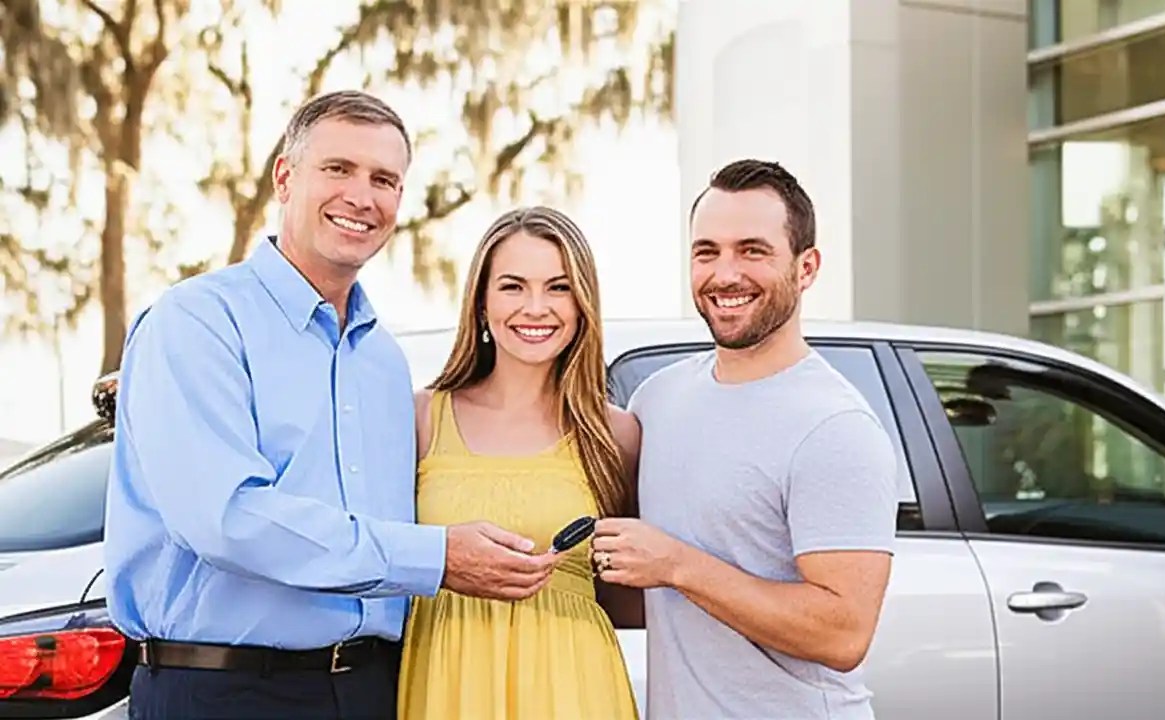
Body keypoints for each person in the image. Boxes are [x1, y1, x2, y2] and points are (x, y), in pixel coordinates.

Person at [104, 90, 560, 720]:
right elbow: (226, 518)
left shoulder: (384, 363)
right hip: (224, 692)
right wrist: (438, 556)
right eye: (338, 169)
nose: (361, 196)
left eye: (384, 180)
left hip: (372, 688)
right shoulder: (198, 322)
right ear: (285, 178)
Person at [590, 158, 900, 719]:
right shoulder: (657, 401)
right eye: (707, 251)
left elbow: (843, 634)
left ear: (807, 268)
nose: (725, 273)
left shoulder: (834, 428)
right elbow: (648, 596)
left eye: (752, 251)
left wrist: (678, 565)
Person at [397, 206, 643, 720]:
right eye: (513, 286)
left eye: (558, 287)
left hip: (572, 685)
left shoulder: (615, 433)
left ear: (582, 305)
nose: (536, 307)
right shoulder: (420, 418)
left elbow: (630, 600)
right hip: (446, 681)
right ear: (482, 304)